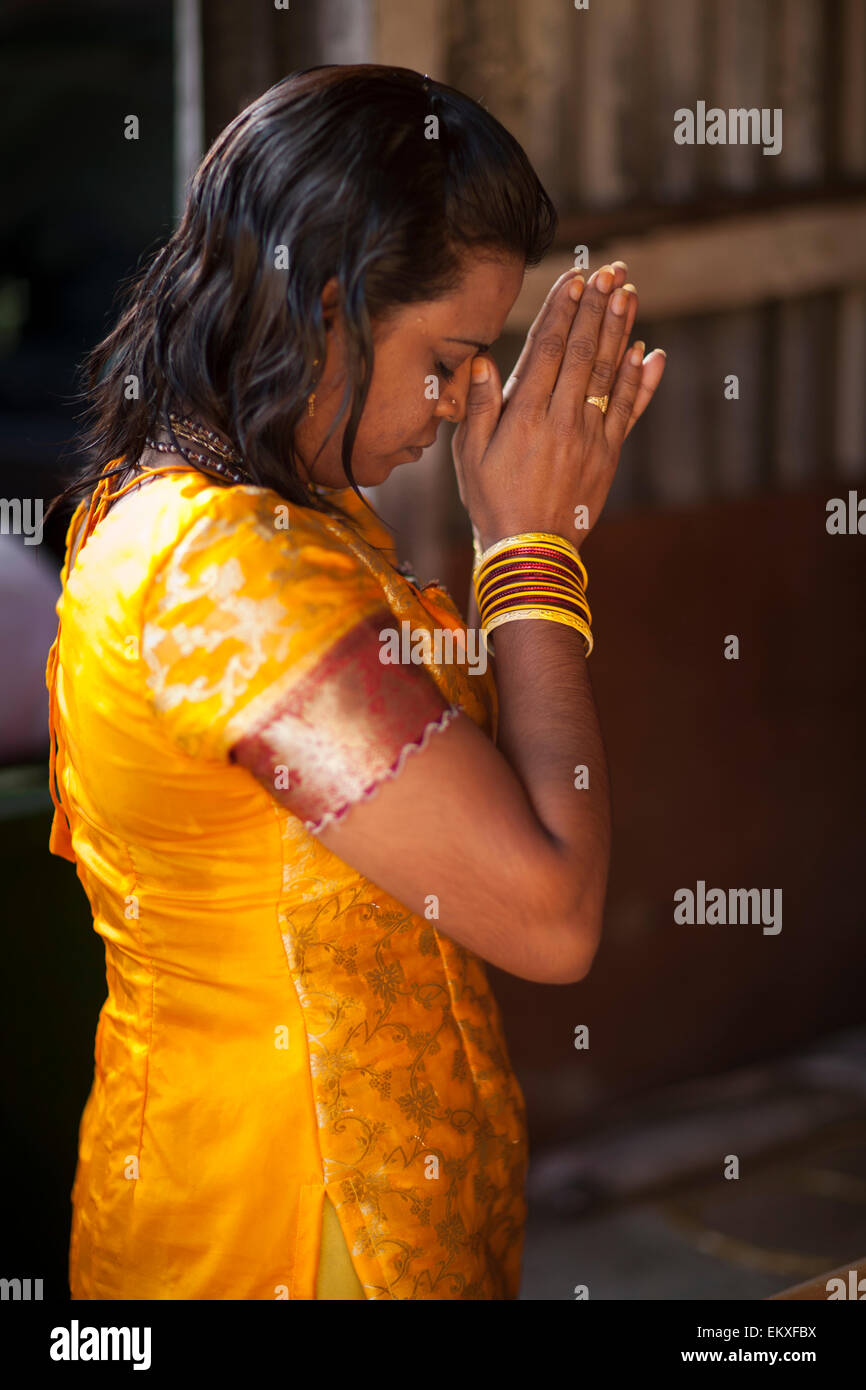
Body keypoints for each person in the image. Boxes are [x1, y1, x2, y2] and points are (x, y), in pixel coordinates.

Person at [44, 64, 665, 1301]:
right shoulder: (220, 578)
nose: (458, 404)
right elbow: (549, 916)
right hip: (281, 1227)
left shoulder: (274, 517)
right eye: (447, 358)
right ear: (327, 308)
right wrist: (530, 554)